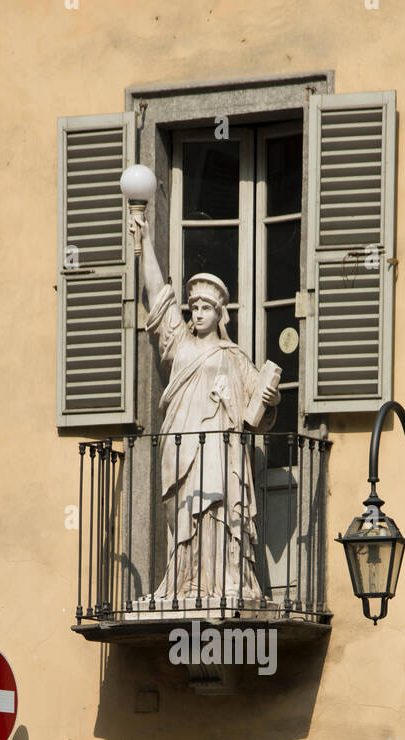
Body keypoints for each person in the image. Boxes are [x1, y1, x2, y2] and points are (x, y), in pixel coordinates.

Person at [136, 214, 281, 606]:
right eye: (194, 306)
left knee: (220, 507)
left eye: (206, 308)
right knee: (187, 514)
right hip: (183, 449)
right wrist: (145, 241)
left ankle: (226, 579)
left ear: (221, 313)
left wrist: (270, 399)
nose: (198, 313)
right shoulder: (179, 345)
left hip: (222, 450)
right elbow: (158, 298)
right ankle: (189, 582)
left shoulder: (233, 357)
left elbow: (260, 402)